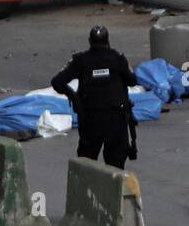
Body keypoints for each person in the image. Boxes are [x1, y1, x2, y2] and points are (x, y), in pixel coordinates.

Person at [51, 25, 139, 169]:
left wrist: (73, 96)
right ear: (108, 41)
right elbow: (133, 81)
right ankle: (112, 192)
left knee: (86, 166)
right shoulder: (117, 58)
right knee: (115, 168)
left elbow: (57, 82)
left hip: (91, 120)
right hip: (115, 119)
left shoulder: (80, 61)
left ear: (89, 41)